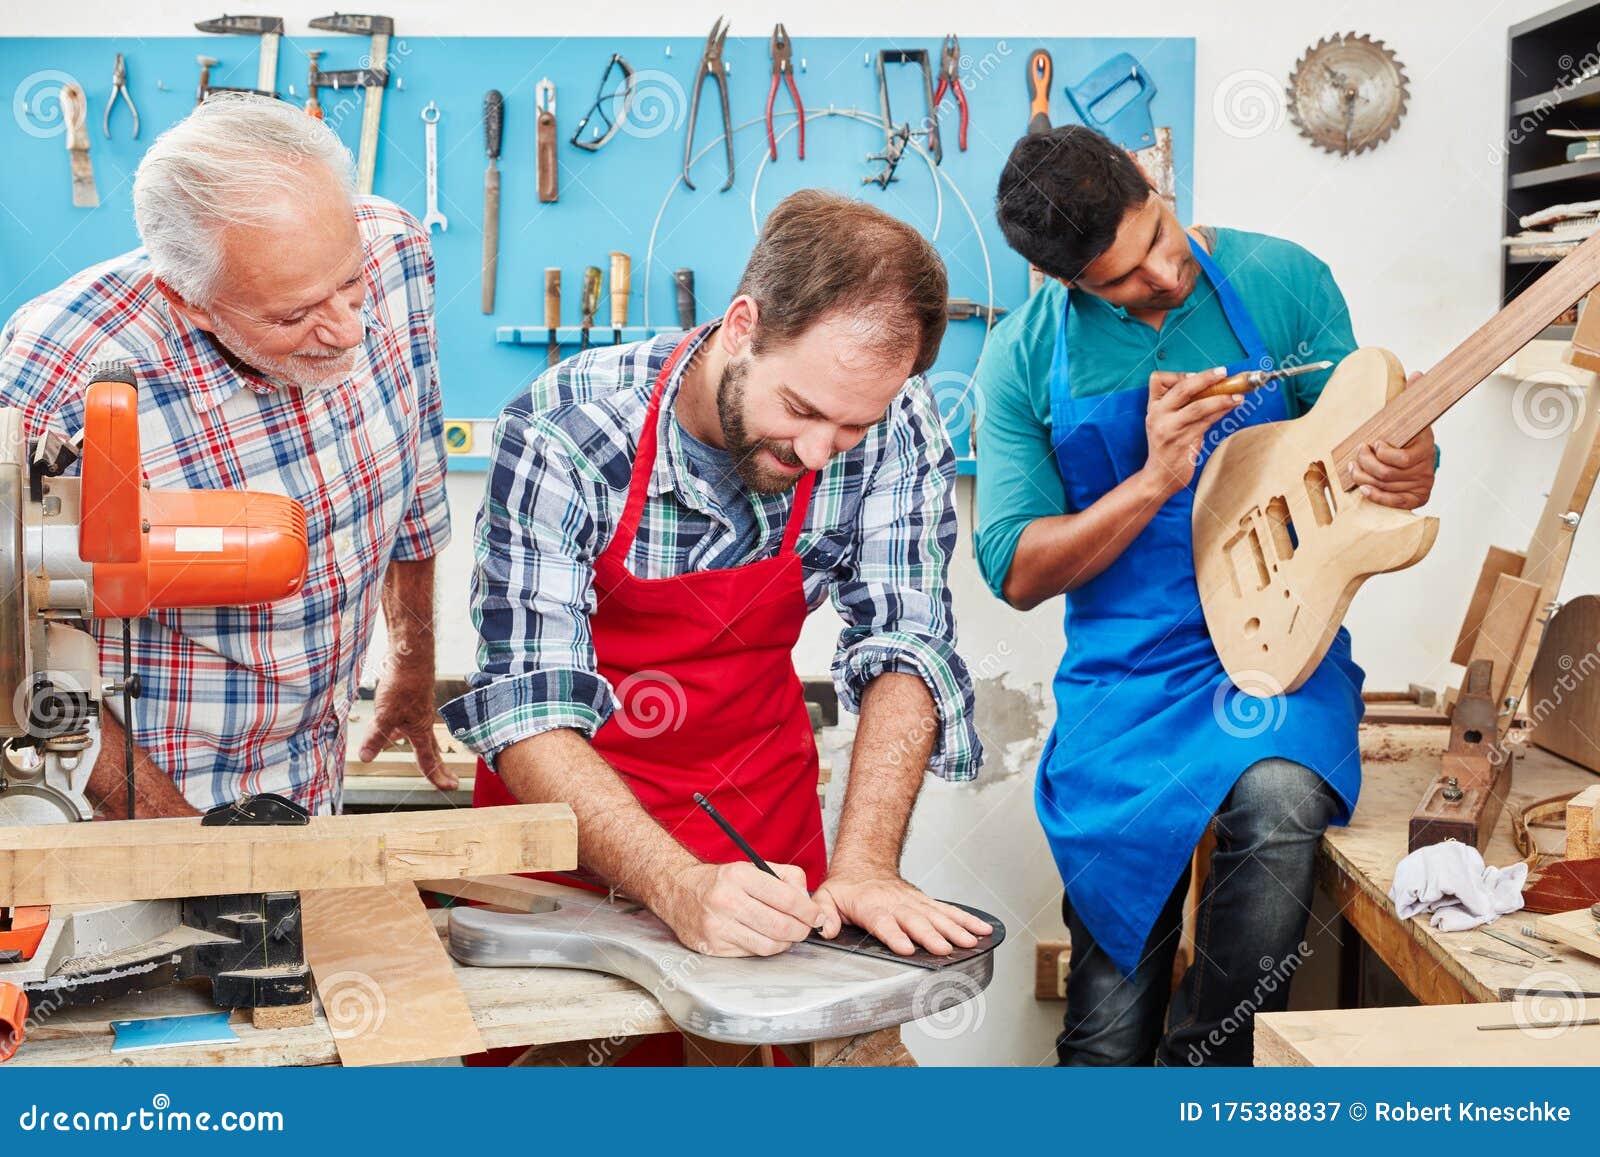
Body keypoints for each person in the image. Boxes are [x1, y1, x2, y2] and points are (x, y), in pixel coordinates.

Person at [975, 126, 1436, 1065]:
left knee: (1277, 797)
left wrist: (1411, 466)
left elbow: (1364, 458)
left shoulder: (1283, 280)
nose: (1163, 274)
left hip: (1280, 648)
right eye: (1124, 277)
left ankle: (1208, 1077)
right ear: (1071, 283)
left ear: (1151, 182)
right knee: (1104, 1026)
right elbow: (1015, 570)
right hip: (1126, 676)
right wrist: (1152, 479)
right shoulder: (1022, 359)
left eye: (1157, 235)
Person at [441, 190, 991, 963]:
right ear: (742, 327)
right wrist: (674, 883)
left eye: (852, 426)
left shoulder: (896, 423)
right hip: (562, 851)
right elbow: (527, 709)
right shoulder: (567, 430)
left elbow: (906, 643)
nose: (818, 453)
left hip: (763, 834)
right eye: (799, 409)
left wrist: (865, 863)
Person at [0, 94, 451, 816]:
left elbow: (418, 478)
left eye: (349, 285)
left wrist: (412, 660)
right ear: (192, 304)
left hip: (313, 787)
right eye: (295, 315)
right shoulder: (62, 365)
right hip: (150, 797)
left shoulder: (393, 249)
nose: (348, 332)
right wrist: (172, 837)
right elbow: (16, 651)